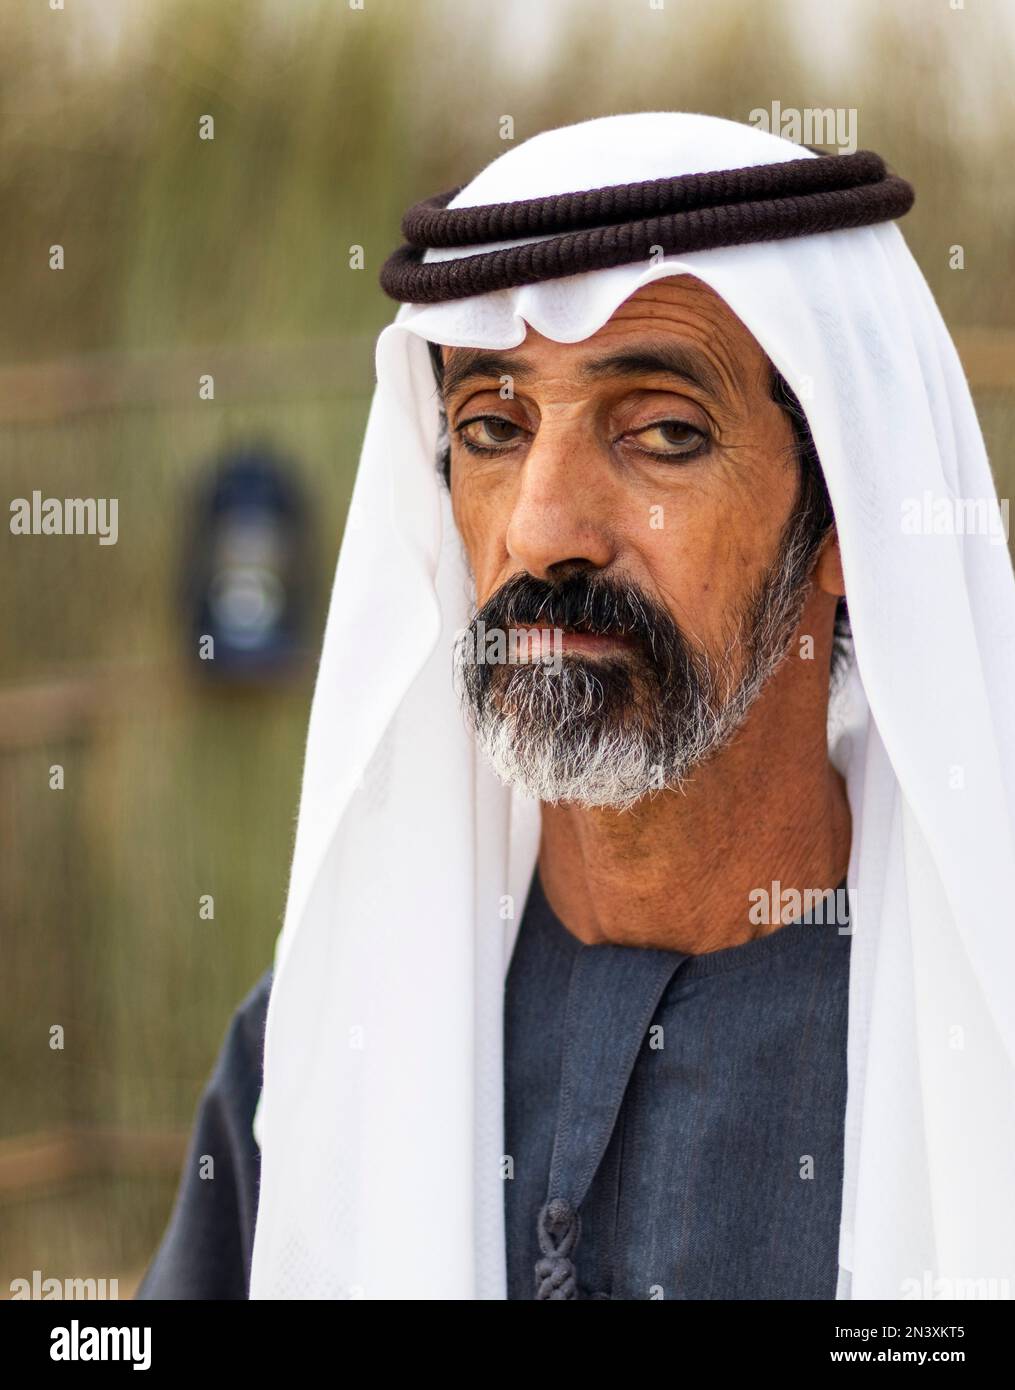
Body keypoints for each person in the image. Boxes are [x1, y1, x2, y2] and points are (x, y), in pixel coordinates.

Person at [138, 112, 1015, 1302]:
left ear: (845, 516)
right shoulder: (326, 1029)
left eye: (661, 433)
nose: (543, 528)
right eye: (492, 430)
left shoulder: (979, 1033)